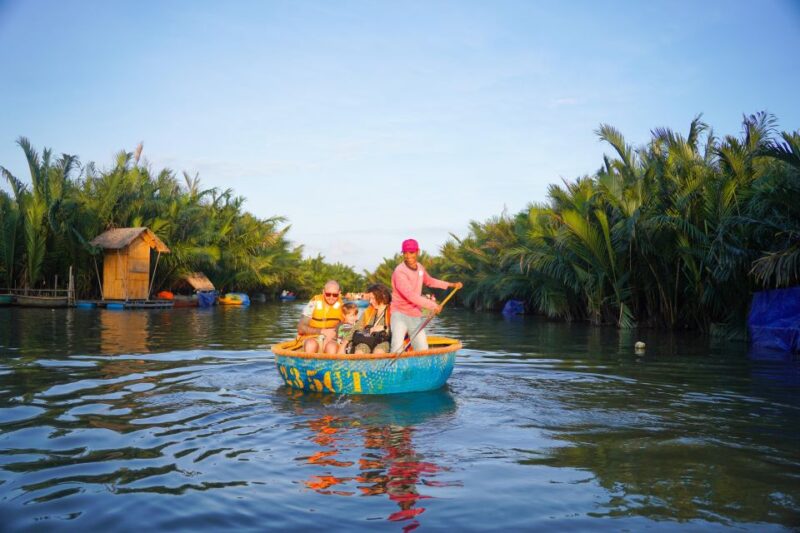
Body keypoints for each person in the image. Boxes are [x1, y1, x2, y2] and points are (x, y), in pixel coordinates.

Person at [390, 239, 463, 352]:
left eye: (411, 252)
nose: (408, 256)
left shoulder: (420, 267)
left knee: (422, 348)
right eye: (405, 253)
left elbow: (430, 281)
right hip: (399, 314)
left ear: (418, 252)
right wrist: (433, 305)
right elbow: (411, 295)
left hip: (415, 314)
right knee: (396, 347)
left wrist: (450, 284)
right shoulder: (399, 272)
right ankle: (394, 369)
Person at [297, 280, 344, 353]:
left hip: (332, 339)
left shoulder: (343, 307)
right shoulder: (313, 303)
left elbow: (347, 326)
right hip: (313, 337)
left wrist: (334, 332)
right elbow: (301, 328)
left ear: (339, 293)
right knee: (311, 344)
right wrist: (322, 331)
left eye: (335, 295)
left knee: (331, 347)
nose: (331, 297)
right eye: (328, 294)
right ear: (323, 292)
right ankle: (309, 363)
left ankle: (330, 363)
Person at [351, 283, 392, 354]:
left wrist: (384, 328)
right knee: (359, 351)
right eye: (370, 299)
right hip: (367, 340)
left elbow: (399, 331)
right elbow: (356, 328)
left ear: (383, 296)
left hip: (384, 341)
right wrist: (344, 344)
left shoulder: (392, 311)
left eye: (373, 298)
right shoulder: (369, 311)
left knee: (379, 351)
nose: (370, 301)